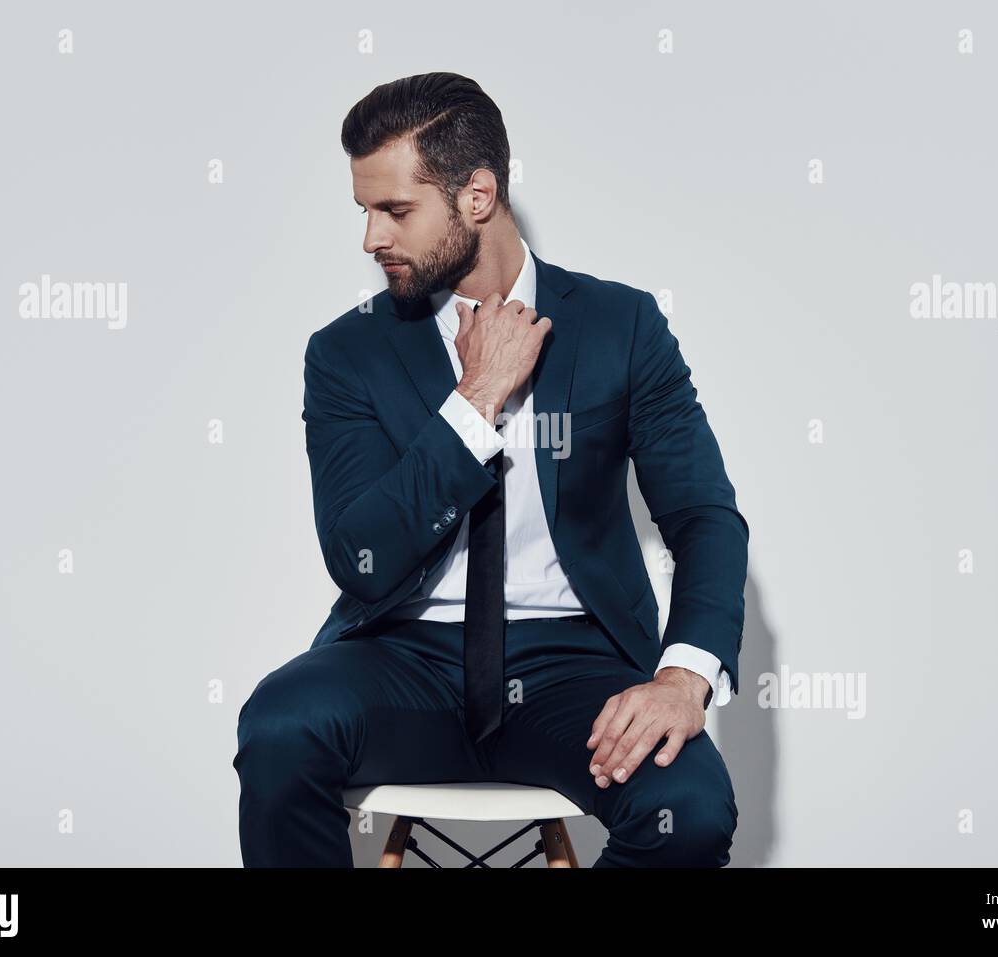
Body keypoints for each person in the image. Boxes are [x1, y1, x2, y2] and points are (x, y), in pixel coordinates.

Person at [234, 72, 750, 867]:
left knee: (692, 807)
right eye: (364, 210)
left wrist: (683, 678)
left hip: (574, 668)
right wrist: (475, 401)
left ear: (478, 195)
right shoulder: (347, 353)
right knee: (279, 728)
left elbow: (703, 517)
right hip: (403, 658)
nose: (370, 238)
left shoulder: (622, 327)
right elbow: (358, 552)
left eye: (394, 210)